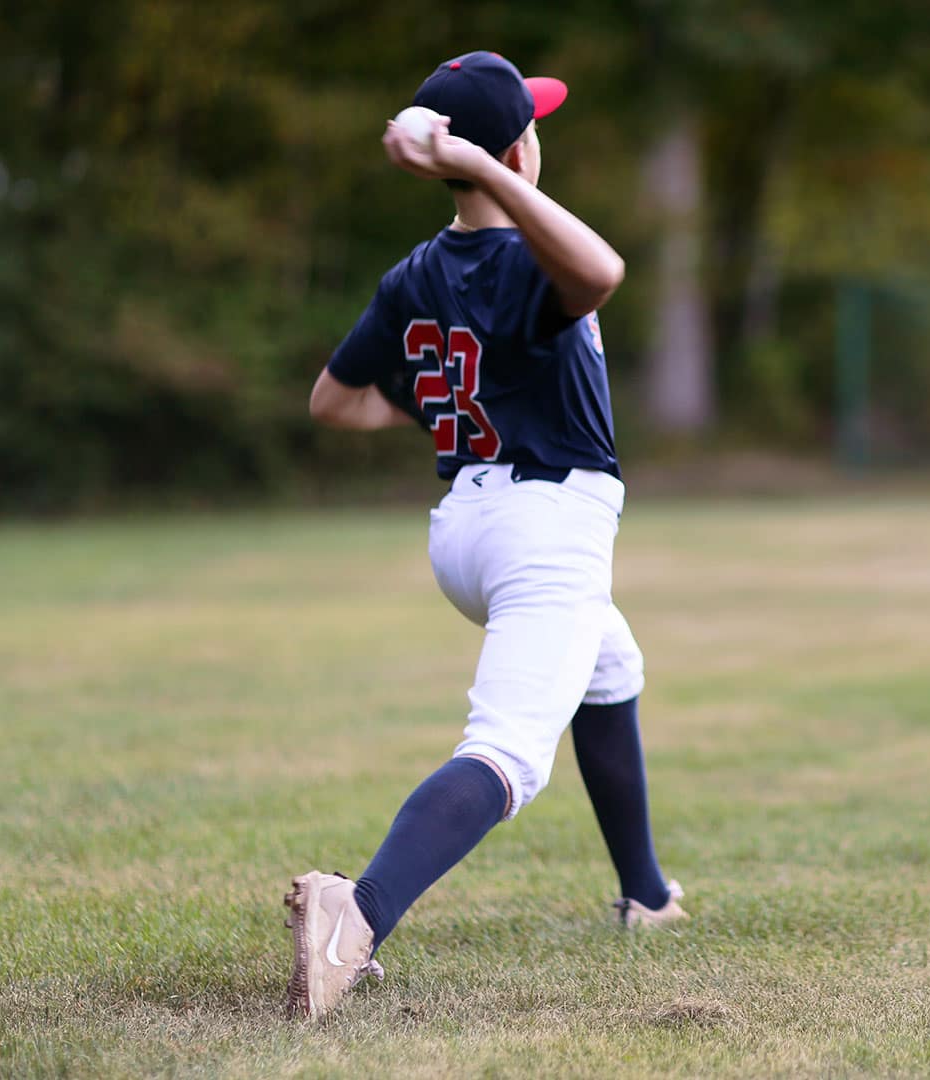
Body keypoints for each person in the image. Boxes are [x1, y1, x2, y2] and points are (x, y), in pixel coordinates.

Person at [282, 52, 685, 1023]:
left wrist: (449, 414)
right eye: (531, 130)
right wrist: (496, 174)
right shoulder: (523, 258)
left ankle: (649, 895)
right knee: (509, 754)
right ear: (515, 149)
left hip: (466, 528)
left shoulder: (419, 269)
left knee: (608, 660)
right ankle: (359, 912)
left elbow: (333, 402)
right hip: (544, 524)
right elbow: (602, 270)